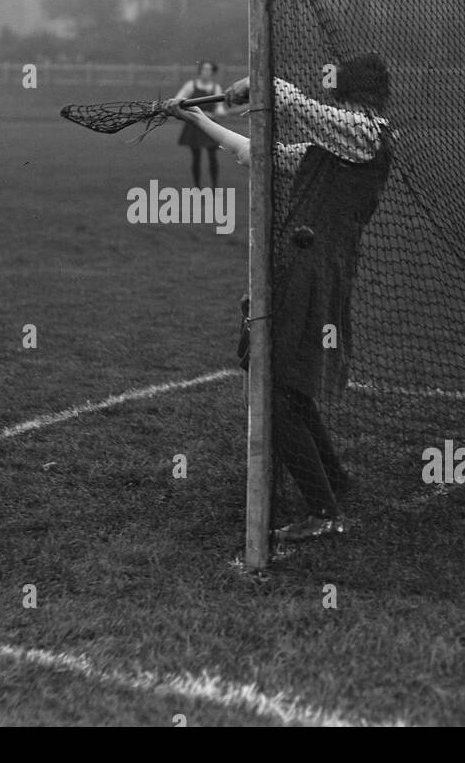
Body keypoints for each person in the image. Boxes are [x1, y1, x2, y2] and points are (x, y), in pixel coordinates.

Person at [168, 54, 395, 542]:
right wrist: (200, 118)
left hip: (313, 274)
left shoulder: (366, 133)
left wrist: (258, 84)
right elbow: (260, 154)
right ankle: (334, 481)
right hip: (303, 269)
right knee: (285, 386)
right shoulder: (332, 147)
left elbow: (303, 108)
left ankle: (325, 510)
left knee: (274, 390)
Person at [173, 60, 226, 188]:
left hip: (210, 126)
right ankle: (197, 187)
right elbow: (177, 101)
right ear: (200, 71)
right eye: (204, 69)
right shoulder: (191, 85)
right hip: (195, 124)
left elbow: (219, 108)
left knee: (212, 156)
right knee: (196, 157)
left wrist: (220, 112)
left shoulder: (216, 88)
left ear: (212, 73)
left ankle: (214, 187)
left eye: (209, 70)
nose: (206, 72)